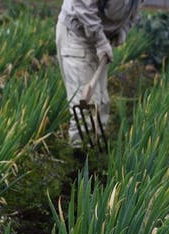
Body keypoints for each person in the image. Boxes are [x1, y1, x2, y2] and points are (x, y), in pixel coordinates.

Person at [56, 0, 142, 150]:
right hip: (77, 35)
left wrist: (123, 29)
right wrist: (101, 41)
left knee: (101, 103)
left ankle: (95, 152)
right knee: (86, 109)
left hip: (100, 35)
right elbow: (82, 5)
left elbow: (134, 9)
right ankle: (78, 156)